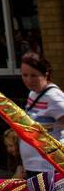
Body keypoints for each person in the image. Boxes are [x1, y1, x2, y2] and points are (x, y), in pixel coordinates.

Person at [17, 51, 64, 179]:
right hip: (32, 167)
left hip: (49, 169)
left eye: (34, 75)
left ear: (45, 74)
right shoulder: (33, 94)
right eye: (24, 75)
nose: (28, 80)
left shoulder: (54, 97)